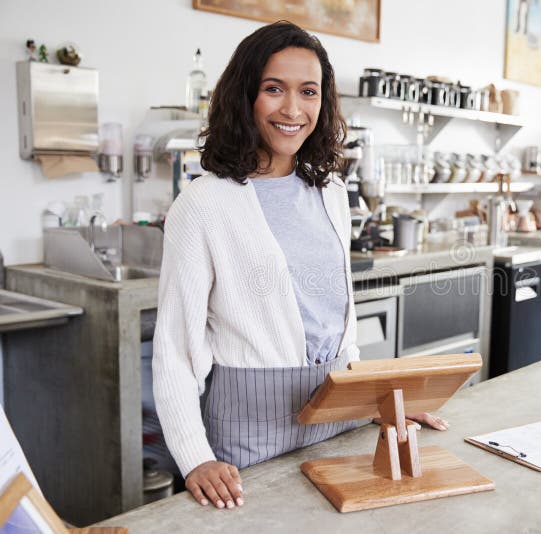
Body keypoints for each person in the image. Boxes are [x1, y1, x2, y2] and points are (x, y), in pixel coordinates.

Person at [153, 21, 448, 511]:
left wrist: (375, 399)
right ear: (245, 95)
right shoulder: (203, 204)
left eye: (308, 92)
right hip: (250, 437)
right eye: (274, 89)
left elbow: (337, 324)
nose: (293, 109)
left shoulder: (330, 191)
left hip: (337, 420)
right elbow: (176, 350)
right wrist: (194, 457)